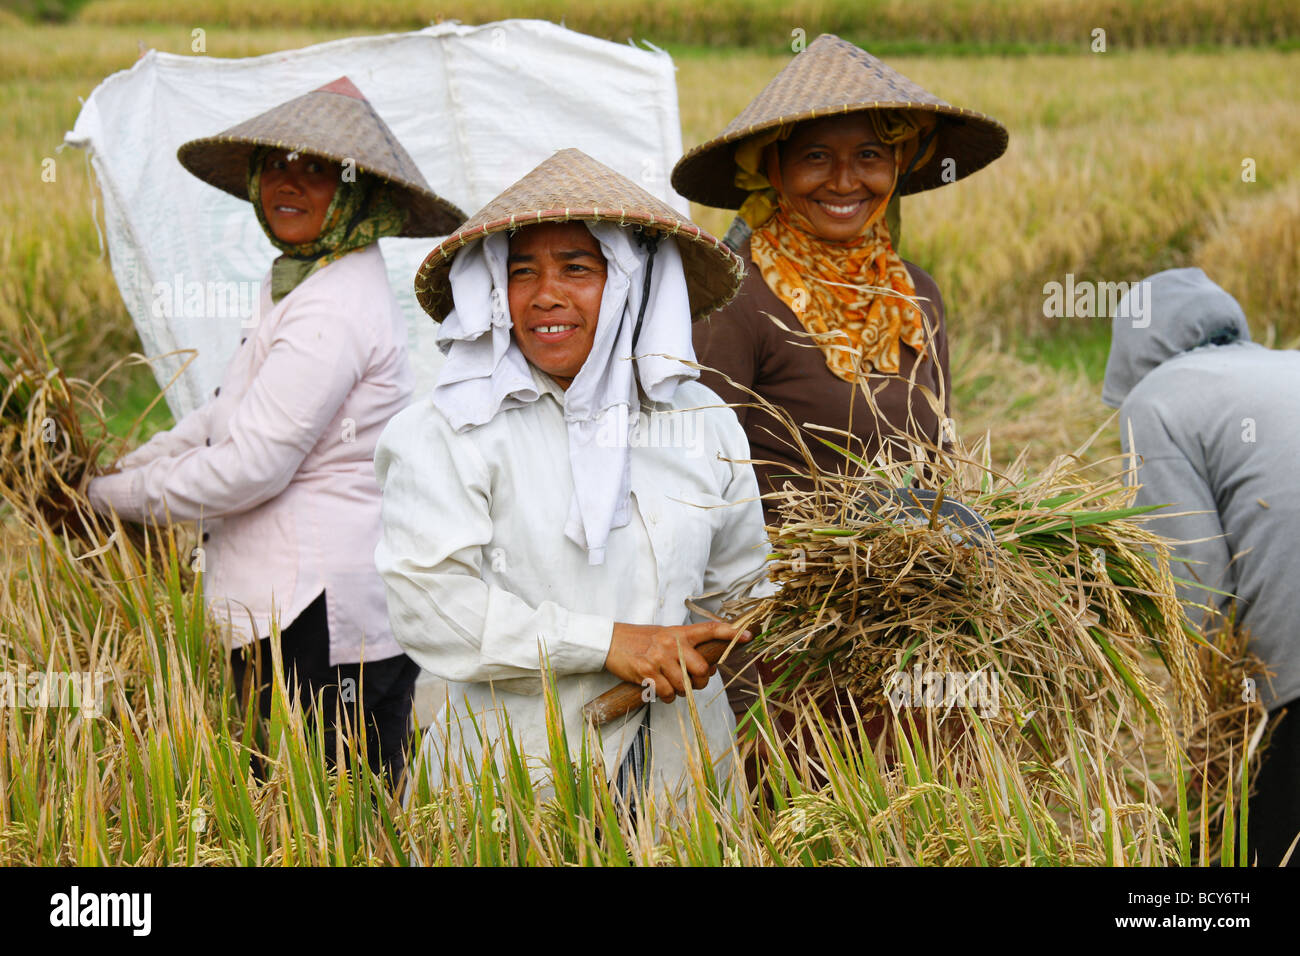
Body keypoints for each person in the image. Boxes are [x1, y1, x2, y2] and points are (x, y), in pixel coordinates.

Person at [87, 76, 465, 783]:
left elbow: (249, 465)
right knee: (286, 816)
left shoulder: (333, 308)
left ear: (358, 194)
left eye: (318, 170)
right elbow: (228, 411)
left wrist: (110, 498)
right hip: (280, 608)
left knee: (343, 820)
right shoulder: (302, 276)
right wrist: (128, 466)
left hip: (323, 618)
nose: (288, 183)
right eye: (278, 165)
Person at [373, 148, 771, 813]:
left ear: (630, 283)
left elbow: (738, 584)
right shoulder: (449, 429)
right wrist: (609, 644)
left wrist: (706, 638)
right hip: (512, 775)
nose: (545, 294)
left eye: (577, 268)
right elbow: (430, 603)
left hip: (678, 770)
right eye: (521, 271)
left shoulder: (700, 420)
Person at [669, 33, 1008, 730]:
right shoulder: (738, 302)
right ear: (773, 169)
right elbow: (690, 479)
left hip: (910, 624)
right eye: (816, 157)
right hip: (785, 639)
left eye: (870, 156)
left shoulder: (915, 295)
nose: (845, 181)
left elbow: (938, 456)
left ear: (899, 166)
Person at [1102, 266, 1300, 867]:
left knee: (1253, 854)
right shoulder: (1287, 365)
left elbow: (1193, 578)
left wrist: (1217, 730)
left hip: (1293, 673)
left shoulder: (1156, 399)